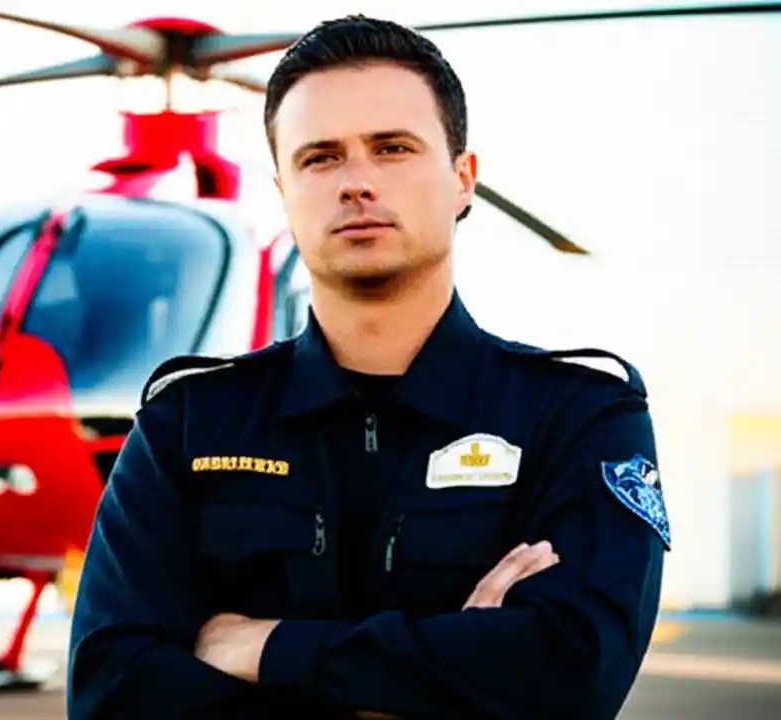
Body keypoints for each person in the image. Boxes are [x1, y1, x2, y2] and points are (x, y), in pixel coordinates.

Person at [66, 14, 670, 720]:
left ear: (463, 180)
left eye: (392, 148)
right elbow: (114, 693)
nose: (356, 182)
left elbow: (570, 674)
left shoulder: (579, 415)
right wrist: (453, 673)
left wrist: (264, 650)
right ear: (284, 192)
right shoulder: (188, 422)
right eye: (320, 157)